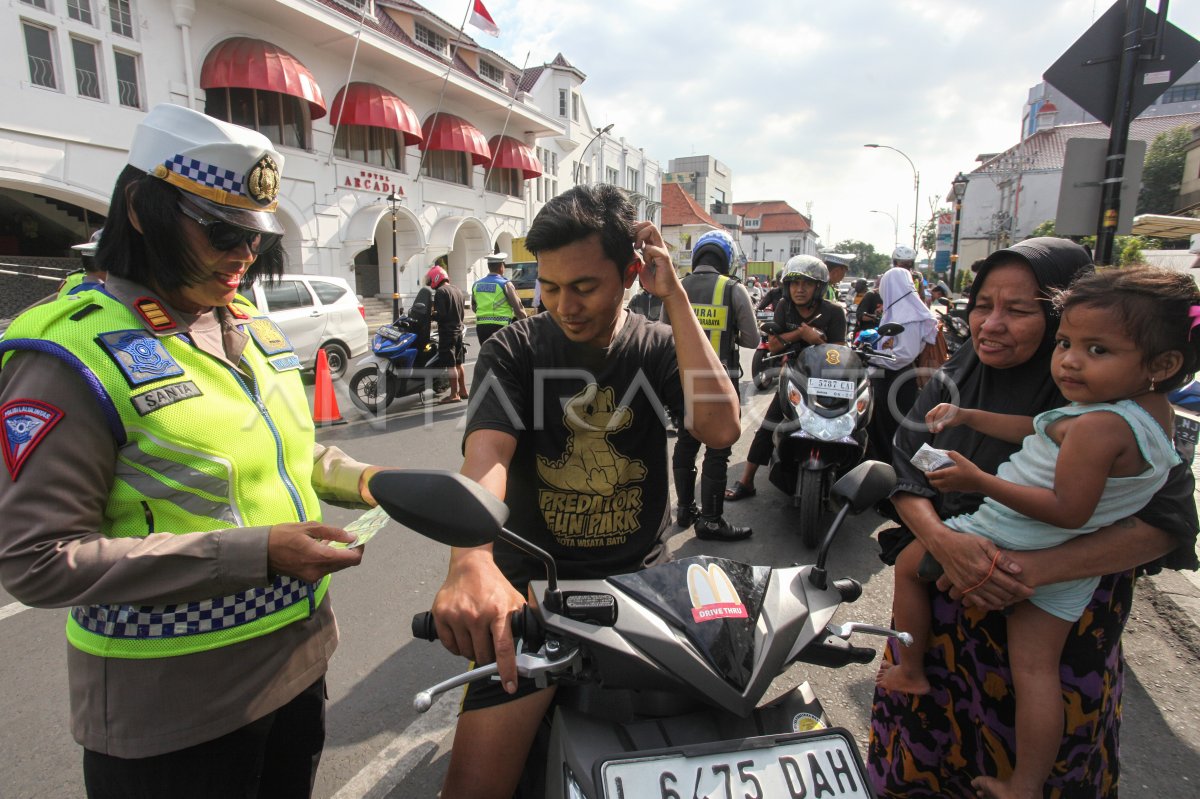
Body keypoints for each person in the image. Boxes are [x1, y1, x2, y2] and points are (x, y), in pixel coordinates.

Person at [0, 104, 375, 797]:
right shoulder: (71, 350)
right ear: (142, 209)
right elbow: (38, 560)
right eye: (220, 232)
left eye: (255, 239)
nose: (243, 256)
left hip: (295, 667)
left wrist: (370, 480)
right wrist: (256, 552)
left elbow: (287, 449)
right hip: (174, 712)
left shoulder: (245, 323)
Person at [429, 184, 740, 799]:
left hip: (641, 595)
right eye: (548, 286)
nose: (563, 305)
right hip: (531, 603)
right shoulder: (512, 350)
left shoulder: (656, 347)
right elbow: (486, 457)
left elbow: (719, 426)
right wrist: (470, 562)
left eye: (584, 287)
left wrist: (674, 297)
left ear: (630, 274)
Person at [867, 238, 1199, 798]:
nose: (990, 325)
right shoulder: (954, 378)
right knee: (924, 757)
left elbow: (1167, 524)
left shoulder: (1116, 414)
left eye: (1018, 310)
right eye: (981, 305)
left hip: (1055, 615)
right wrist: (945, 542)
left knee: (1040, 753)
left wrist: (1029, 570)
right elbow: (906, 473)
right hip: (943, 608)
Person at [662, 228, 758, 540]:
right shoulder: (733, 290)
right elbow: (753, 339)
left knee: (686, 444)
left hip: (683, 382)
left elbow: (663, 334)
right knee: (717, 449)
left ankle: (685, 511)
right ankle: (712, 521)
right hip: (721, 385)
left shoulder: (678, 288)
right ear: (726, 259)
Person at [726, 255, 846, 501]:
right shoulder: (784, 307)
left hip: (827, 380)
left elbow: (840, 354)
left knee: (850, 422)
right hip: (793, 376)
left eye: (806, 284)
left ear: (819, 287)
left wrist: (818, 341)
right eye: (794, 284)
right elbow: (772, 346)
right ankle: (747, 481)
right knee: (767, 425)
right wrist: (799, 334)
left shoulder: (834, 312)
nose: (799, 289)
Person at [866, 266, 938, 464]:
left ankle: (892, 473)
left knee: (890, 430)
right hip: (888, 376)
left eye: (883, 284)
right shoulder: (897, 310)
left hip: (897, 379)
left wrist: (871, 356)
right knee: (879, 426)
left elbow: (904, 355)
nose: (880, 289)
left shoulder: (908, 315)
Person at [430, 264, 468, 403]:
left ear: (436, 278)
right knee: (458, 363)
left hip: (447, 332)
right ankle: (463, 390)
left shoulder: (441, 292)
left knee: (450, 364)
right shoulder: (457, 290)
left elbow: (442, 314)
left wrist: (431, 316)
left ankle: (454, 394)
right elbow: (461, 312)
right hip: (459, 330)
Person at [471, 252, 528, 346]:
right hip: (501, 327)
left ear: (489, 267)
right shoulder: (505, 284)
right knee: (503, 355)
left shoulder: (476, 285)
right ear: (501, 267)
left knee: (487, 355)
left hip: (481, 327)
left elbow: (474, 307)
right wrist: (525, 323)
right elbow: (518, 308)